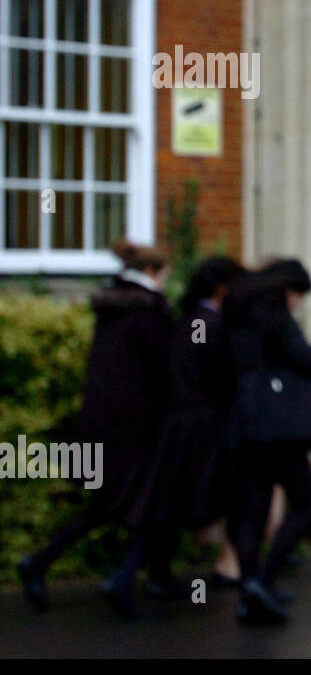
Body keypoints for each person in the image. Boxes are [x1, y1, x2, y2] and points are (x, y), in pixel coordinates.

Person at [17, 240, 172, 617]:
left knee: (106, 504)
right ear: (152, 273)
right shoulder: (150, 313)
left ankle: (42, 562)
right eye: (165, 275)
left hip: (101, 421)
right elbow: (165, 371)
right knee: (152, 501)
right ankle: (121, 579)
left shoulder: (112, 308)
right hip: (136, 424)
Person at [101, 256, 249, 613]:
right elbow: (220, 378)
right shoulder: (210, 325)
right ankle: (243, 576)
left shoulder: (188, 322)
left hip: (181, 425)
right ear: (220, 288)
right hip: (203, 428)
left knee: (168, 508)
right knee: (219, 501)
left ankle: (143, 578)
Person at [224, 258, 311, 624]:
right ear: (286, 289)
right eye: (298, 295)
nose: (298, 302)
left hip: (247, 424)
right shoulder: (276, 317)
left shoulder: (237, 312)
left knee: (254, 510)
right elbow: (308, 358)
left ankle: (251, 588)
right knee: (305, 504)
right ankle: (263, 581)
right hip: (280, 427)